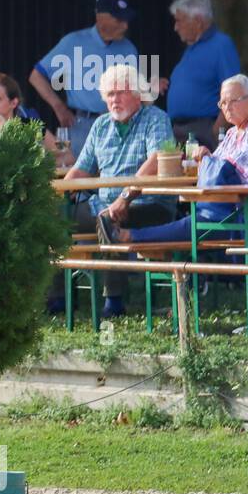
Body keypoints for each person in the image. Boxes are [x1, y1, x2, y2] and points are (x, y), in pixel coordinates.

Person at [101, 75, 248, 244]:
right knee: (195, 225)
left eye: (233, 101)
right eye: (222, 103)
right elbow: (217, 169)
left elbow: (243, 161)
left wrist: (209, 160)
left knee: (195, 226)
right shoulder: (232, 134)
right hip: (232, 213)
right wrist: (207, 159)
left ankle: (130, 236)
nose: (227, 107)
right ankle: (182, 273)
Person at [56, 63, 176, 318]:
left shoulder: (155, 118)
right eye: (109, 94)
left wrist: (125, 197)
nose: (114, 100)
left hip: (149, 204)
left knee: (109, 219)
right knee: (53, 218)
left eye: (120, 93)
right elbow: (81, 169)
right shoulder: (100, 125)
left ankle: (114, 301)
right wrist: (58, 194)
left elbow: (155, 161)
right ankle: (58, 299)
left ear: (137, 94)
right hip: (104, 204)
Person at [29, 0, 140, 160]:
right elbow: (36, 76)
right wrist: (59, 106)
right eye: (119, 20)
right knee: (77, 178)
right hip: (82, 125)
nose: (125, 26)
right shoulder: (73, 43)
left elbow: (135, 90)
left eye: (126, 20)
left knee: (118, 177)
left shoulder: (128, 48)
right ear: (100, 18)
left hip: (120, 124)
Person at [158, 0, 240, 150]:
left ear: (198, 21)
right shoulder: (191, 48)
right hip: (180, 131)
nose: (175, 27)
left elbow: (234, 90)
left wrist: (217, 129)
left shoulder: (221, 45)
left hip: (203, 130)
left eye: (179, 21)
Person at [0, 74, 60, 158]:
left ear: (13, 103)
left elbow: (67, 156)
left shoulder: (29, 126)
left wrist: (41, 165)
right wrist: (0, 124)